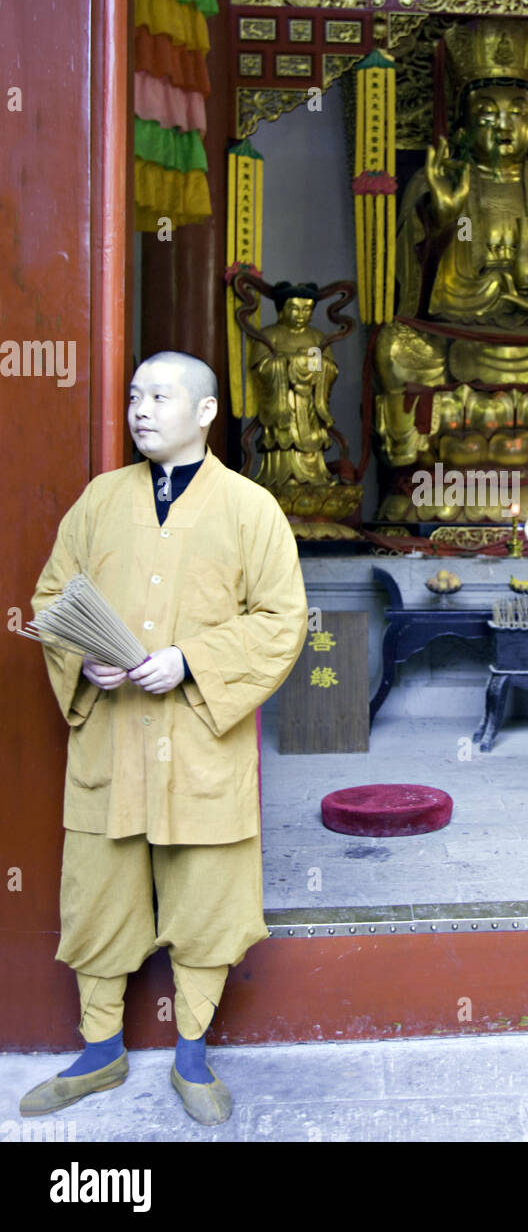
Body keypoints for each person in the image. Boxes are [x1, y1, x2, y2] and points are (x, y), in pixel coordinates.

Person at [20, 351, 308, 1126]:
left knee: (207, 893)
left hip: (199, 739)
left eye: (160, 396)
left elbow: (282, 620)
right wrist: (89, 659)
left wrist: (190, 661)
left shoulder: (250, 508)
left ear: (207, 412)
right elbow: (53, 596)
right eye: (134, 396)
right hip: (110, 736)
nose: (140, 409)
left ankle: (190, 1054)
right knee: (97, 890)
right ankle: (99, 1049)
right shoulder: (97, 500)